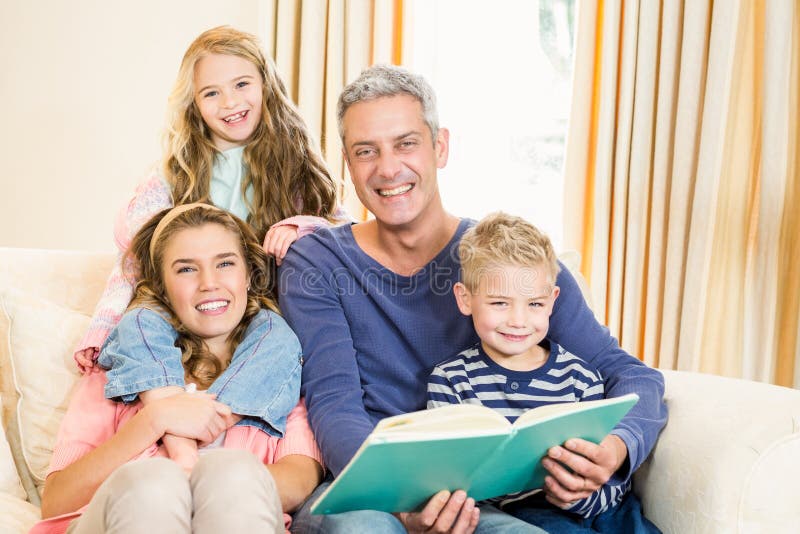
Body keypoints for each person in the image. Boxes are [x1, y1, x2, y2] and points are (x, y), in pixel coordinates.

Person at [278, 64, 667, 533]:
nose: (387, 168)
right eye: (366, 151)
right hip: (366, 489)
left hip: (475, 500)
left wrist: (616, 449)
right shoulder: (317, 262)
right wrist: (403, 506)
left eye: (406, 143)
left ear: (440, 147)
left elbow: (630, 374)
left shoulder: (505, 262)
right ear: (347, 163)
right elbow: (335, 405)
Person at [72, 25, 341, 468]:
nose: (230, 103)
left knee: (280, 340)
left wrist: (303, 226)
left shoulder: (295, 163)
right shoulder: (174, 170)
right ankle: (178, 438)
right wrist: (103, 328)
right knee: (138, 325)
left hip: (252, 305)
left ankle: (206, 423)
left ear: (265, 86)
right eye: (211, 93)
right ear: (194, 104)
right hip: (182, 302)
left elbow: (340, 234)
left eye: (241, 85)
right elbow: (134, 257)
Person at [32, 204, 323, 534]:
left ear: (249, 275)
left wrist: (202, 480)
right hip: (121, 518)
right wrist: (155, 419)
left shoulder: (282, 374)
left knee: (234, 472)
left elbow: (300, 478)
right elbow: (55, 502)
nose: (209, 283)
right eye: (186, 270)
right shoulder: (115, 373)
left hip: (237, 514)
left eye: (225, 263)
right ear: (162, 288)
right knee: (153, 482)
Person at [427, 212, 660, 533]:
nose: (518, 320)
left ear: (552, 302)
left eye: (534, 304)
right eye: (499, 303)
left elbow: (610, 484)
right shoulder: (451, 380)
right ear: (465, 299)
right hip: (521, 516)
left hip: (596, 509)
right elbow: (450, 477)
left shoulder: (581, 378)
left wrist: (576, 496)